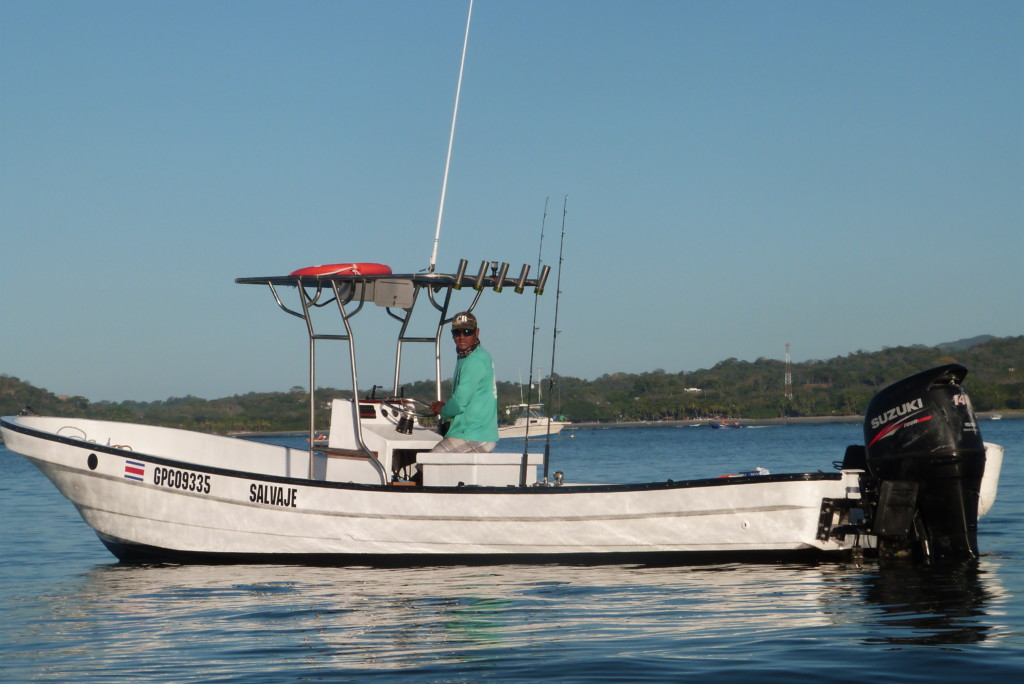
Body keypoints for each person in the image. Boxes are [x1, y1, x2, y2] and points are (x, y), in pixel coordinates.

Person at [430, 311, 499, 453]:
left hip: (474, 434)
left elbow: (460, 402)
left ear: (477, 332)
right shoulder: (469, 355)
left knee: (428, 464)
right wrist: (447, 407)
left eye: (467, 332)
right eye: (457, 332)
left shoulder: (474, 360)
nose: (461, 337)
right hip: (469, 432)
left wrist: (443, 411)